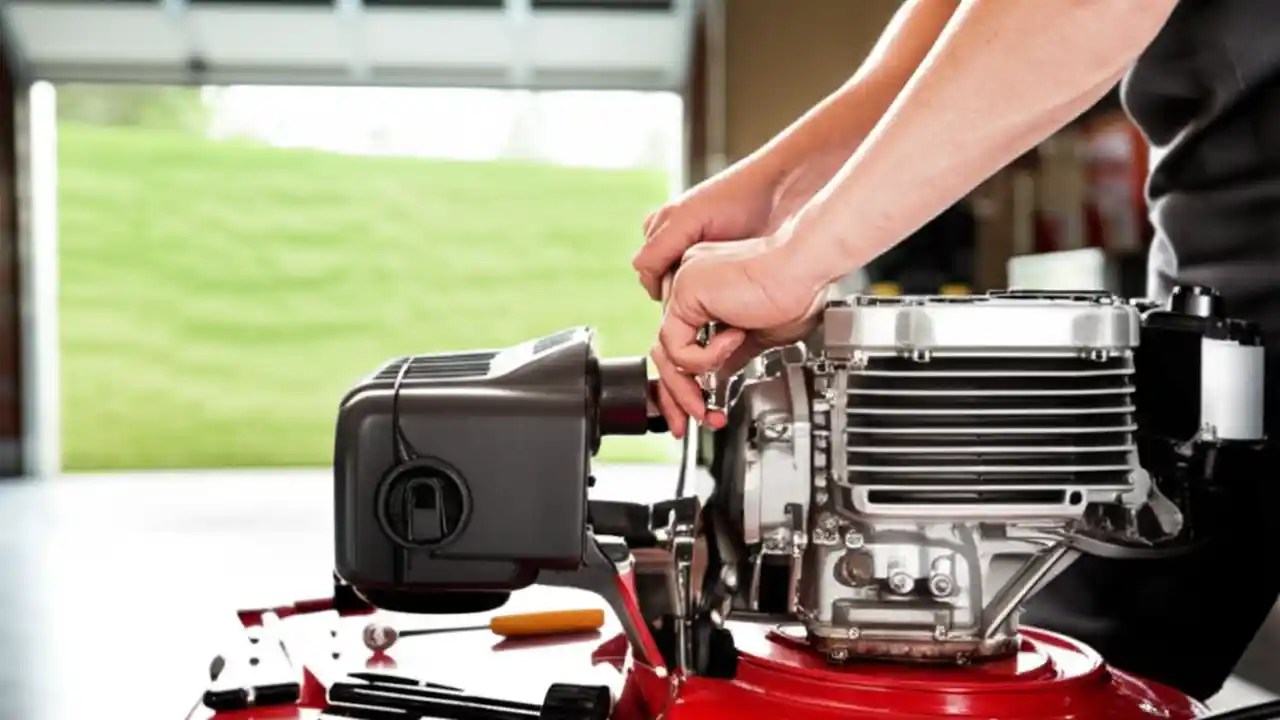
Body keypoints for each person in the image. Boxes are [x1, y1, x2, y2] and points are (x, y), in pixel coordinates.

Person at [633, 0, 1280, 702]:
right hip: (1213, 277)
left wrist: (794, 258)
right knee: (1087, 674)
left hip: (1244, 268)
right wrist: (786, 186)